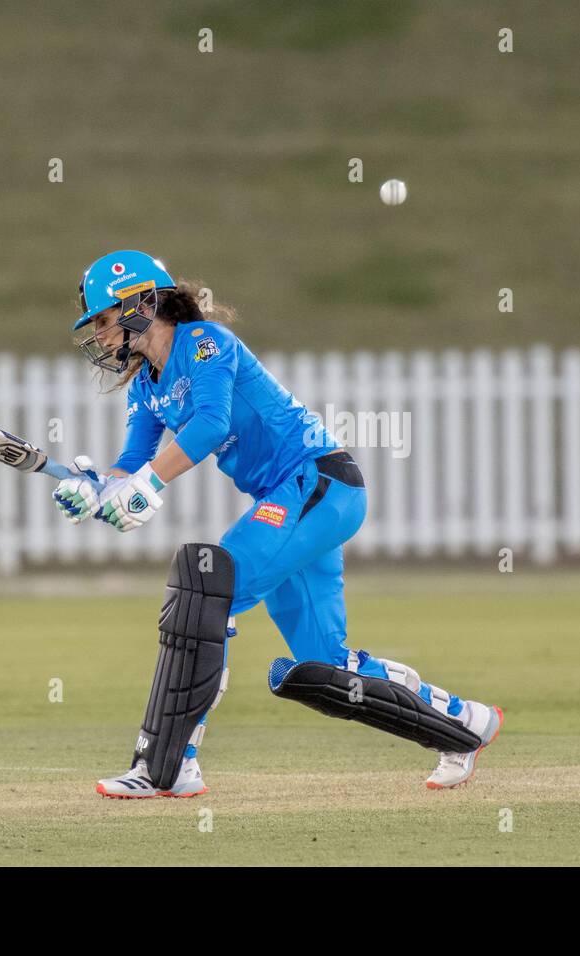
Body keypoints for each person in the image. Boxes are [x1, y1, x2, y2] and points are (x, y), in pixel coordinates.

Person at [53, 250, 502, 798]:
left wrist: (146, 486)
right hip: (294, 497)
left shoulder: (204, 343)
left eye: (102, 320)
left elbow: (212, 424)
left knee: (207, 592)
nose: (98, 337)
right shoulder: (147, 385)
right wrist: (97, 487)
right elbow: (131, 462)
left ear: (142, 303)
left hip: (318, 481)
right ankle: (465, 725)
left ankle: (169, 766)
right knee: (326, 666)